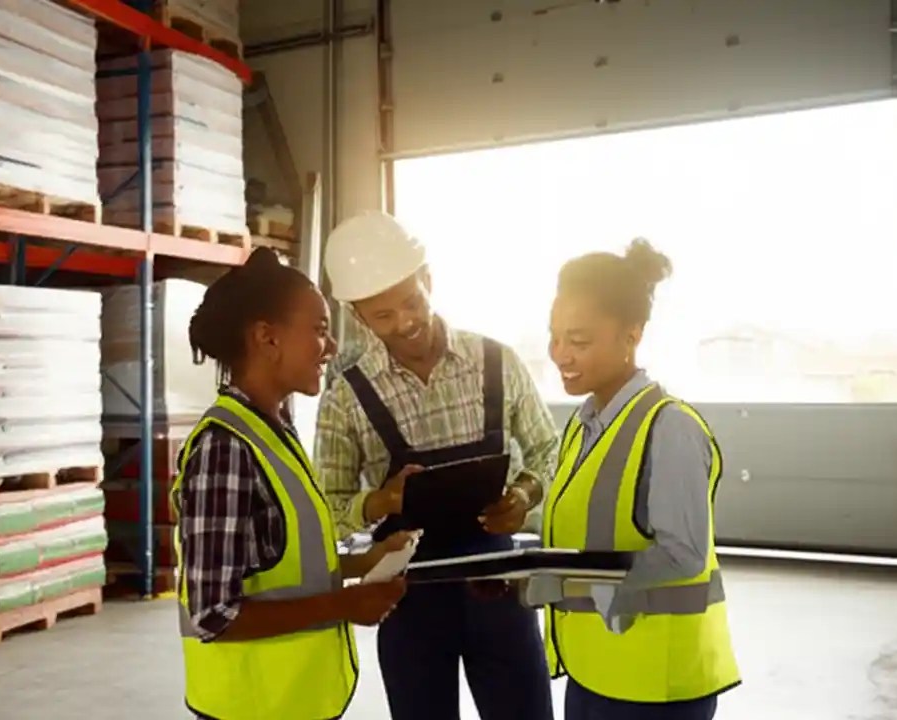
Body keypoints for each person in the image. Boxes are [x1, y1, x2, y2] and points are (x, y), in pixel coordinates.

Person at [314, 211, 559, 720]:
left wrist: (524, 496)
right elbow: (326, 511)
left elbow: (546, 450)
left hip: (499, 588)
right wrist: (380, 502)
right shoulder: (345, 398)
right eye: (383, 315)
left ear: (428, 279)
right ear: (358, 317)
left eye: (411, 300)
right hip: (408, 597)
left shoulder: (497, 363)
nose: (405, 321)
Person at [172, 247, 413, 720]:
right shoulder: (226, 448)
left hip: (293, 702)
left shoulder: (273, 431)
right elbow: (213, 613)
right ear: (267, 337)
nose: (331, 347)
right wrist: (344, 604)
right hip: (251, 706)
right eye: (320, 330)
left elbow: (282, 562)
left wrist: (367, 560)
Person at [542, 239, 740, 720]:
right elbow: (584, 531)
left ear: (632, 335)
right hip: (596, 668)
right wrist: (534, 575)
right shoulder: (584, 424)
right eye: (555, 337)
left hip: (657, 685)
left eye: (579, 340)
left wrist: (570, 578)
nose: (561, 355)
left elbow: (683, 554)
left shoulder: (669, 427)